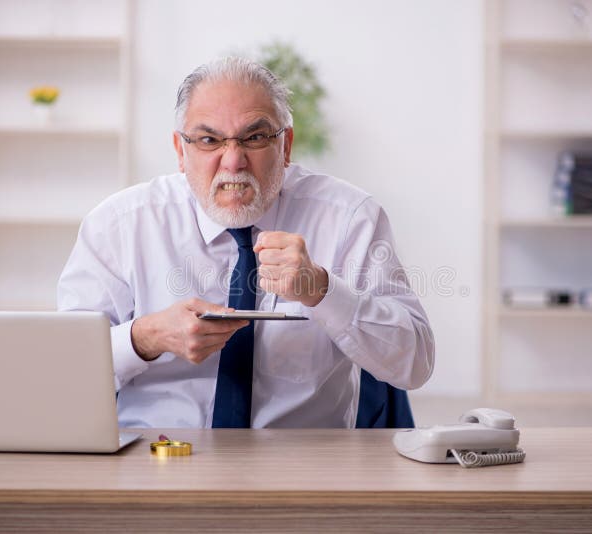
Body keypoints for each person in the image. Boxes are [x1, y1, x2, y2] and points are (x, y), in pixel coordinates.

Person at [57, 57, 434, 429]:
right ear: (180, 151)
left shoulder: (350, 217)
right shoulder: (119, 225)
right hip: (156, 454)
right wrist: (145, 337)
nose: (233, 161)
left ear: (285, 146)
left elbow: (415, 364)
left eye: (254, 138)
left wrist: (323, 290)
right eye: (209, 140)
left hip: (302, 460)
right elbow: (64, 374)